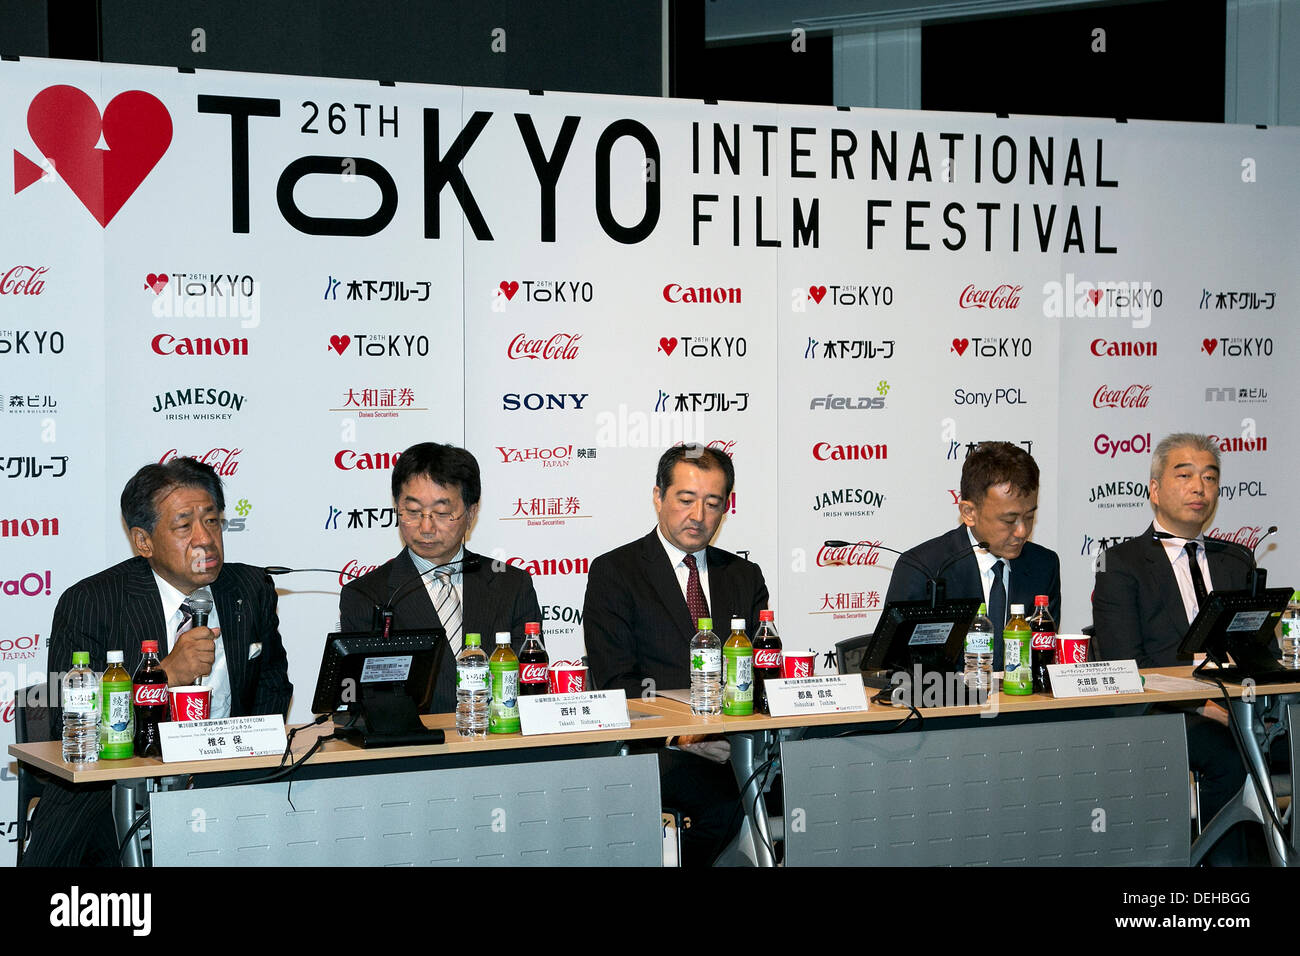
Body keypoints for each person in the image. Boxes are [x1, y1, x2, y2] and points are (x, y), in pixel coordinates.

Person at [23, 457, 292, 866]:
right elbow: (69, 719)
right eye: (185, 526)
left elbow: (273, 681)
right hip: (113, 794)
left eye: (213, 521)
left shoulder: (250, 588)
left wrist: (246, 762)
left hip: (231, 783)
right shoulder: (91, 601)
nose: (205, 539)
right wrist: (163, 674)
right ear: (144, 541)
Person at [584, 443, 769, 865]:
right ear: (658, 497)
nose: (698, 516)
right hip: (657, 748)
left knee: (813, 783)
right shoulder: (616, 572)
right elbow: (617, 683)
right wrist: (683, 735)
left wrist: (729, 732)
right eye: (686, 500)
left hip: (741, 743)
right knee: (724, 801)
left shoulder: (742, 575)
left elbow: (762, 670)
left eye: (712, 503)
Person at [1092, 432, 1256, 863]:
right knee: (1228, 755)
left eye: (1209, 476)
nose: (1199, 487)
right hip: (1164, 711)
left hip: (1242, 707)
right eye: (1184, 475)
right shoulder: (1120, 562)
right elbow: (1124, 664)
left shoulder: (1237, 560)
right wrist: (1201, 704)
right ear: (1155, 489)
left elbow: (1253, 652)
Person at [339, 442, 541, 713]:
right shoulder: (367, 595)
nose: (425, 527)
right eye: (412, 512)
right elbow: (364, 701)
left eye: (442, 513)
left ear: (471, 512)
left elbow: (526, 682)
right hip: (415, 751)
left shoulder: (511, 585)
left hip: (497, 743)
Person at [884, 441, 1061, 667]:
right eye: (1009, 520)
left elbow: (1042, 660)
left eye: (1029, 517)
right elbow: (899, 667)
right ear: (969, 512)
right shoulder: (924, 567)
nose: (1022, 531)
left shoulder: (1043, 565)